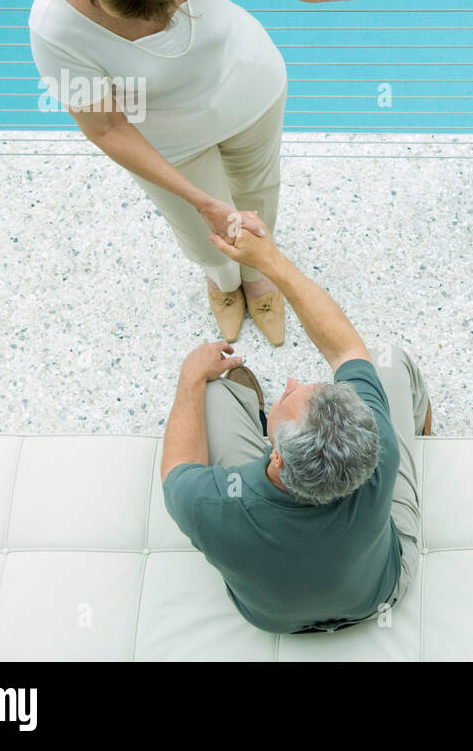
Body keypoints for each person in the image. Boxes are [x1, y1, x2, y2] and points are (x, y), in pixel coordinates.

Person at [28, 0, 358, 344]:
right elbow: (106, 126)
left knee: (258, 191)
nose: (172, 16)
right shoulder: (55, 29)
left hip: (250, 90)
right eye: (150, 14)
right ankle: (223, 282)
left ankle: (259, 276)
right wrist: (200, 201)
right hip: (167, 138)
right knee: (199, 225)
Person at [158, 211, 433, 633]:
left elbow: (177, 469)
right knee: (389, 361)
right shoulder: (379, 455)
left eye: (287, 397)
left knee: (209, 391)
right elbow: (345, 351)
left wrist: (190, 376)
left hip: (271, 619)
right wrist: (272, 262)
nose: (290, 381)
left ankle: (234, 390)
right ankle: (426, 436)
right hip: (377, 596)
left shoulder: (209, 505)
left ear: (278, 459)